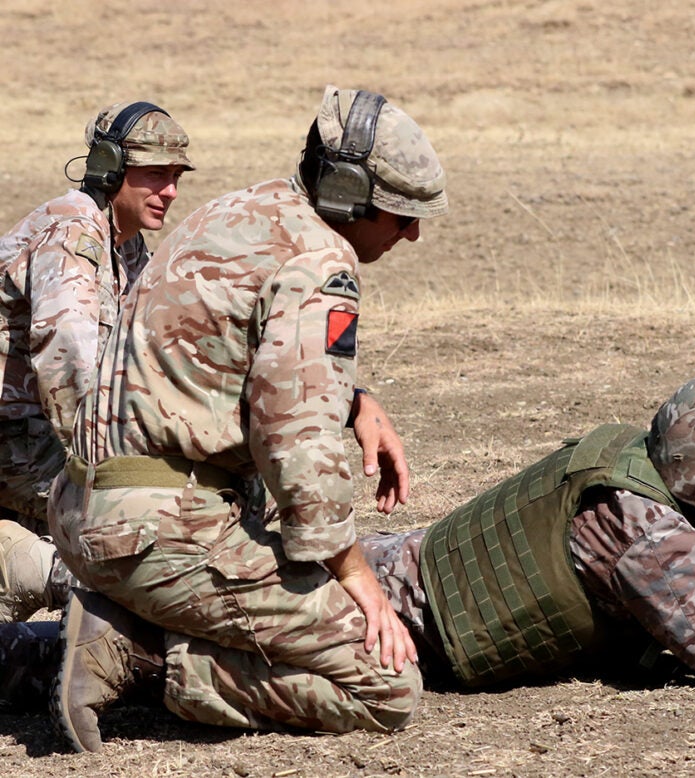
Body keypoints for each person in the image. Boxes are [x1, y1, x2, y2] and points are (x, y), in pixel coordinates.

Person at [4, 371, 695, 718]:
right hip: (395, 620)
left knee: (177, 618)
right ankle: (95, 637)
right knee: (199, 653)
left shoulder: (628, 463)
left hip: (405, 573)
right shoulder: (654, 536)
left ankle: (47, 623)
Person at [45, 85, 448, 753]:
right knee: (387, 684)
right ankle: (142, 654)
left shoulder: (241, 211)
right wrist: (356, 579)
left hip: (88, 506)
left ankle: (127, 619)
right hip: (156, 533)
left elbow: (226, 352)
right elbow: (298, 445)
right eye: (400, 215)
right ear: (348, 194)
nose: (411, 233)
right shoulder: (320, 263)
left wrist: (358, 400)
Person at [0, 100, 194, 623]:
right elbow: (67, 356)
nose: (170, 191)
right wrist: (110, 470)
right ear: (110, 170)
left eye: (175, 176)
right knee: (138, 515)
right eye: (155, 175)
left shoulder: (127, 248)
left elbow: (148, 353)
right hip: (13, 441)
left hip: (32, 434)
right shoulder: (73, 230)